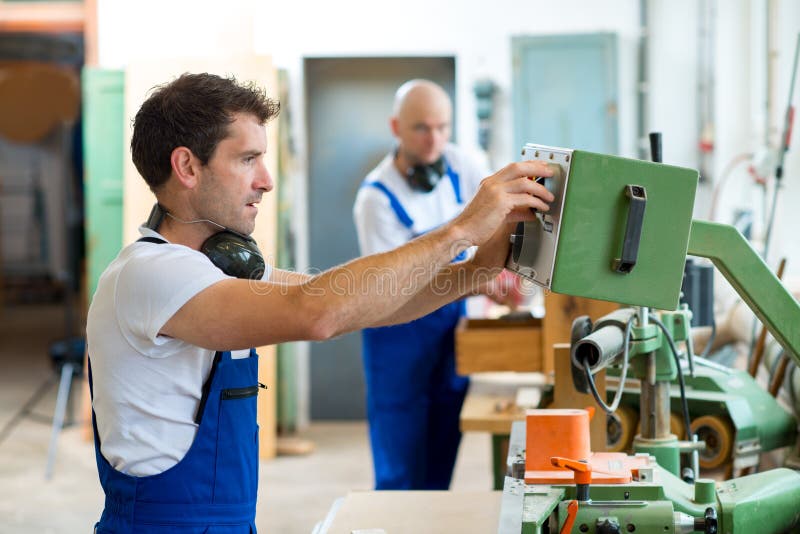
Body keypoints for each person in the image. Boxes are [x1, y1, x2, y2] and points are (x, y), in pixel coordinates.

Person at [86, 72, 554, 533]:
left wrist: (479, 270)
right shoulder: (151, 274)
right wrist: (459, 232)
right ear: (187, 167)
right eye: (248, 159)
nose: (266, 181)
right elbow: (318, 311)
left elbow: (369, 303)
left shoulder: (223, 266)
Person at [353, 79, 514, 490]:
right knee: (400, 461)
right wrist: (478, 280)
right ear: (396, 128)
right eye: (421, 128)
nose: (434, 140)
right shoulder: (376, 198)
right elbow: (394, 288)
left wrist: (504, 268)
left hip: (449, 328)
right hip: (397, 335)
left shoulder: (462, 166)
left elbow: (497, 223)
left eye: (442, 127)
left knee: (443, 446)